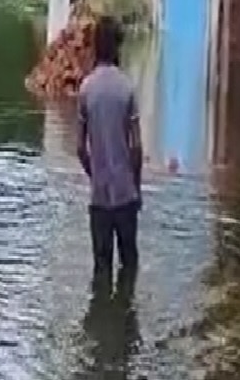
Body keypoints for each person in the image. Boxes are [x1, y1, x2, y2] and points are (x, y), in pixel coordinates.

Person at [77, 16, 143, 284]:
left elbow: (80, 149)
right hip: (125, 194)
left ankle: (101, 310)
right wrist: (136, 187)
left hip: (99, 197)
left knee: (101, 269)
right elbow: (136, 147)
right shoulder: (127, 88)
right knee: (129, 264)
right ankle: (126, 309)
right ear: (117, 46)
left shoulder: (86, 89)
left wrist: (96, 176)